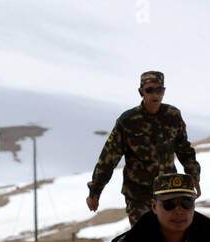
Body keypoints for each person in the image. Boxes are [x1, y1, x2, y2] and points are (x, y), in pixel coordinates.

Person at [86, 70, 202, 226]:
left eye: (159, 90)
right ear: (141, 91)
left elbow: (184, 150)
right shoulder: (127, 121)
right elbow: (108, 158)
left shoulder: (172, 116)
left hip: (167, 193)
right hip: (138, 196)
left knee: (168, 241)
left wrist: (194, 176)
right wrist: (95, 191)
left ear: (164, 92)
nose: (155, 94)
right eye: (150, 90)